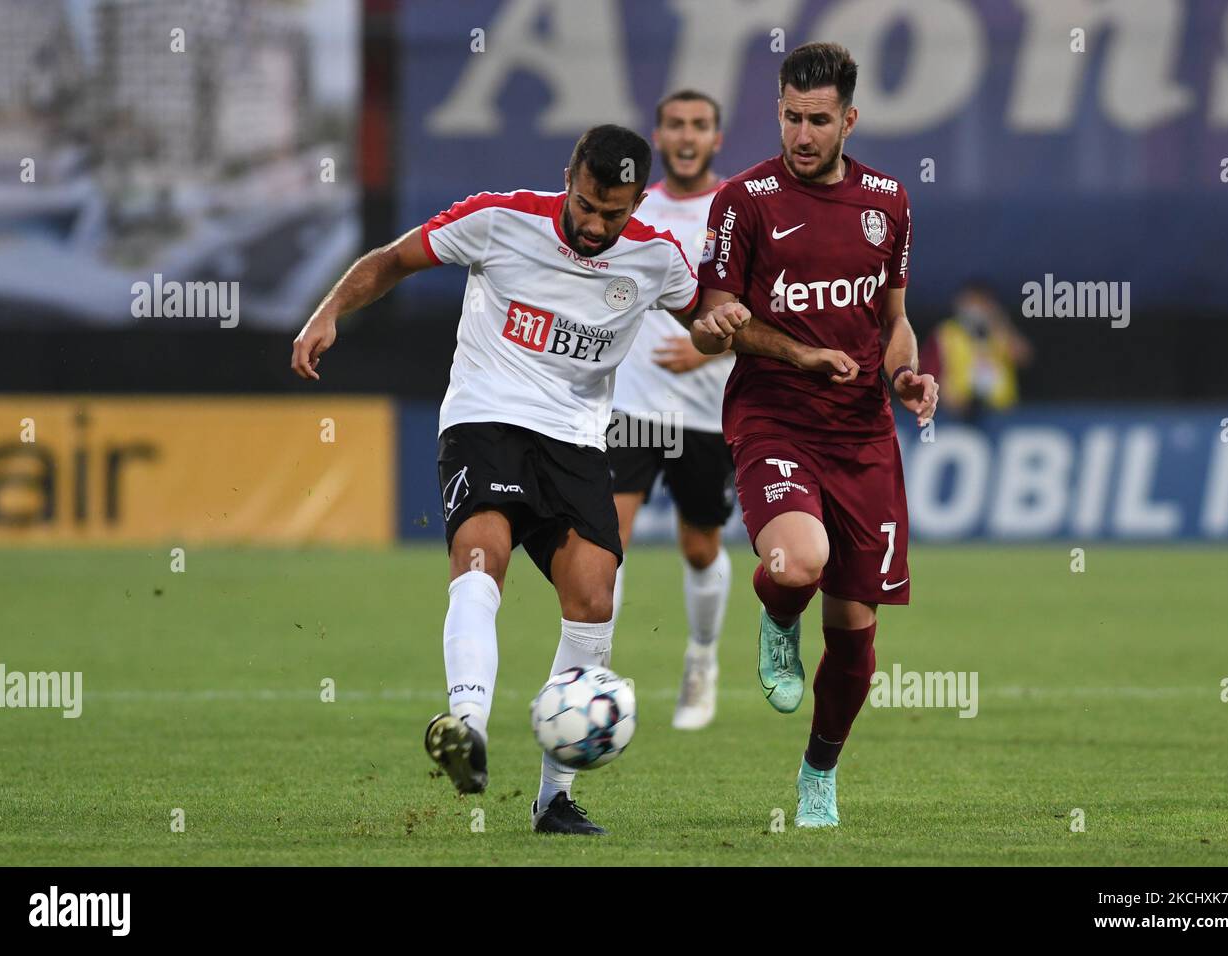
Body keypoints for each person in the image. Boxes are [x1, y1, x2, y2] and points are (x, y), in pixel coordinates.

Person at [291, 125, 708, 836]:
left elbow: (710, 314)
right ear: (568, 177)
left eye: (614, 212)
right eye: (586, 204)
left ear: (638, 201)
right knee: (481, 560)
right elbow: (394, 260)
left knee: (593, 595)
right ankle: (468, 726)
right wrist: (329, 311)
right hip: (486, 421)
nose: (596, 223)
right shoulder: (499, 219)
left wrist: (733, 331)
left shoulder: (657, 259)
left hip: (577, 441)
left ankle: (555, 799)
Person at [688, 42, 940, 828]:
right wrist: (728, 324)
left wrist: (906, 375)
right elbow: (709, 324)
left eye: (818, 120)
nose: (802, 133)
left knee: (857, 636)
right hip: (774, 418)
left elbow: (893, 321)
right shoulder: (743, 199)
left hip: (863, 433)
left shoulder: (889, 202)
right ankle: (776, 616)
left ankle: (819, 773)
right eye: (791, 117)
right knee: (798, 561)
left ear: (849, 120)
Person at [609, 89, 734, 730]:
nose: (687, 136)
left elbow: (770, 309)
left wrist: (709, 351)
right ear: (658, 135)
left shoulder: (737, 212)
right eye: (676, 125)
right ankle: (591, 675)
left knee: (699, 546)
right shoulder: (631, 209)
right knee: (606, 541)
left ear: (717, 137)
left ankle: (702, 658)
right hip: (629, 407)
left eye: (700, 126)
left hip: (707, 415)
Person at [919, 278, 1032, 421]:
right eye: (972, 302)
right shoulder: (946, 333)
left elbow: (1024, 357)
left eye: (982, 303)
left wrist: (1000, 323)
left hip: (1002, 413)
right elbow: (927, 374)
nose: (976, 309)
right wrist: (945, 400)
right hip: (958, 413)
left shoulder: (1000, 331)